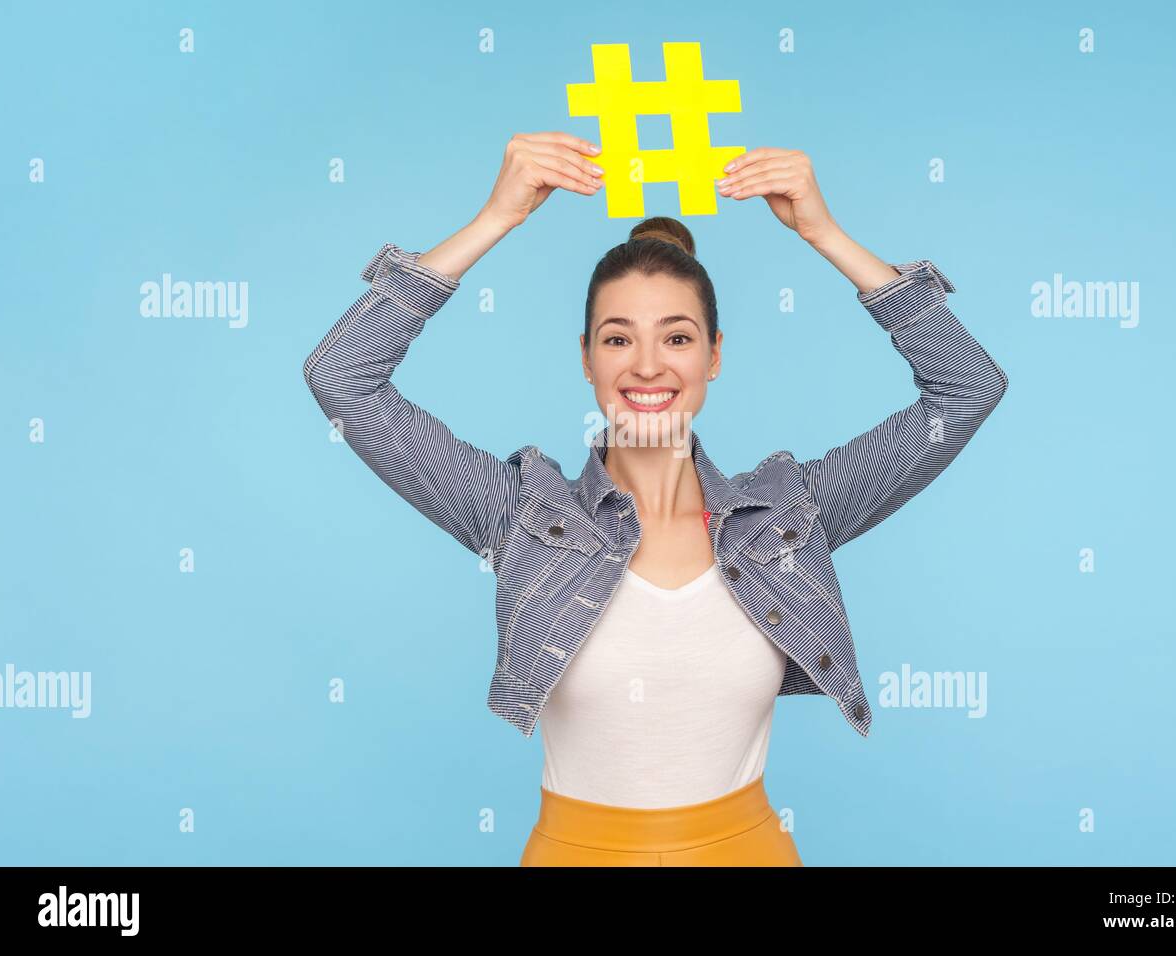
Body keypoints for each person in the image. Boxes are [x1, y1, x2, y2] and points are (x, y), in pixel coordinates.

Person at [303, 131, 1008, 866]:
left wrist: (823, 233)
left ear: (714, 356)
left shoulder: (791, 519)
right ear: (586, 358)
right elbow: (345, 378)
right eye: (617, 340)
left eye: (676, 338)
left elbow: (966, 388)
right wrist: (495, 220)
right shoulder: (521, 516)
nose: (646, 365)